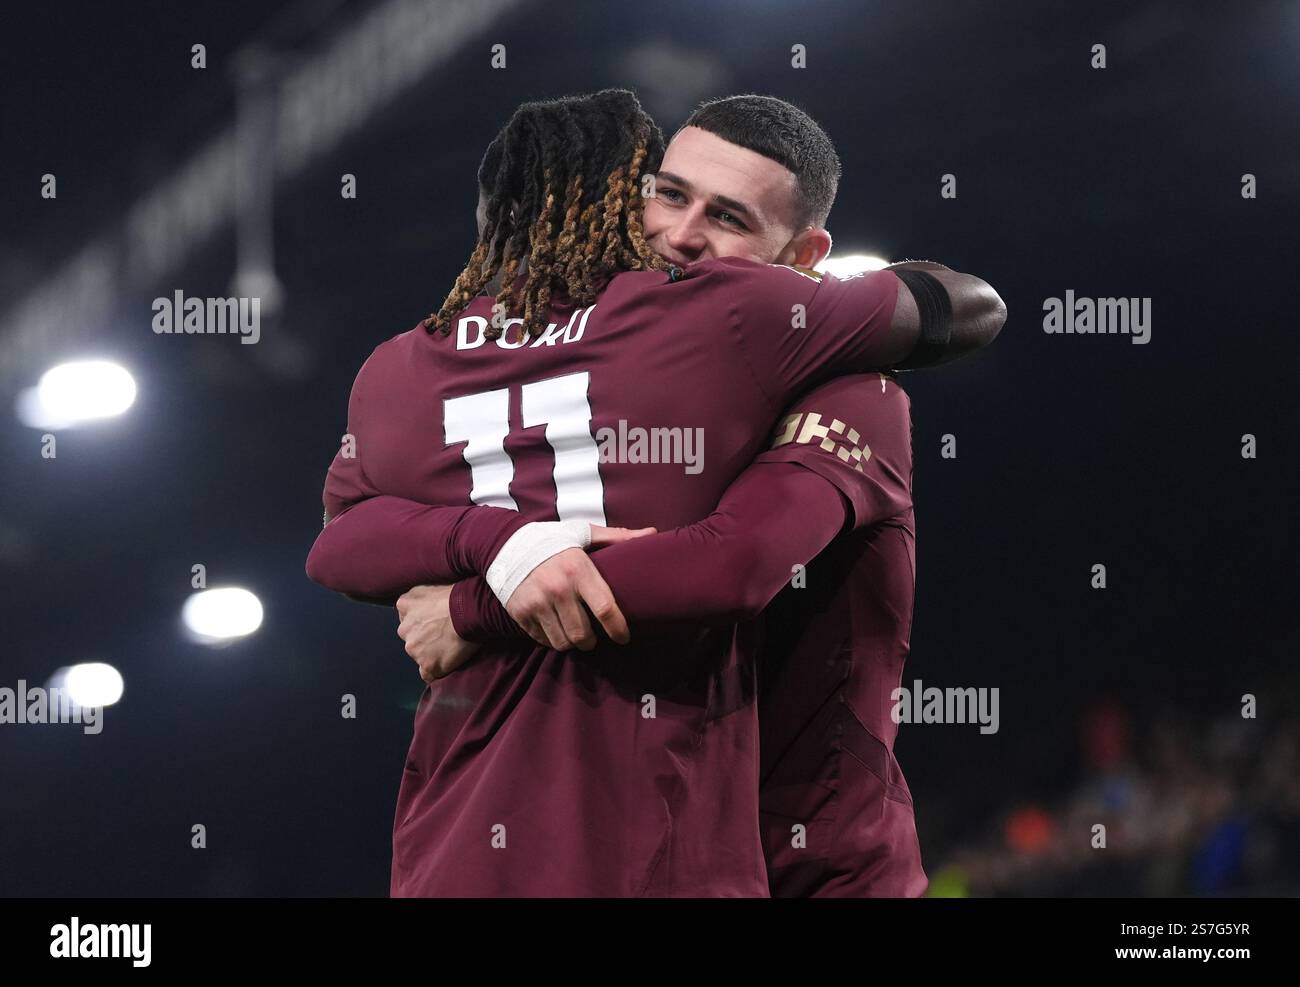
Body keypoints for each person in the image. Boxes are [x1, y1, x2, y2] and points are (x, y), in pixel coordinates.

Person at [306, 90, 1004, 896]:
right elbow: (964, 303)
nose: (681, 233)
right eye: (666, 195)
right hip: (667, 851)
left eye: (729, 218)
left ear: (807, 258)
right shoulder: (692, 337)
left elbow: (731, 565)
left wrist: (473, 601)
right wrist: (502, 550)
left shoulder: (847, 389)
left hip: (818, 870)